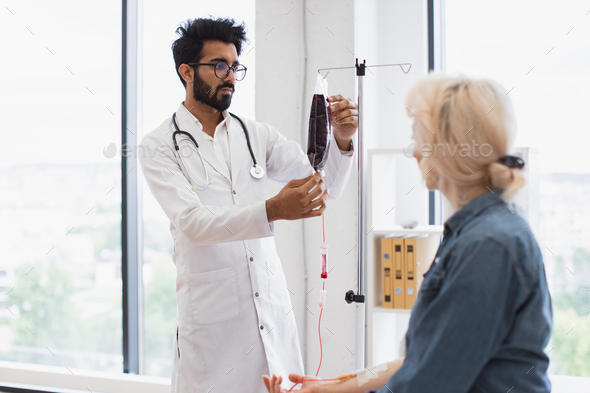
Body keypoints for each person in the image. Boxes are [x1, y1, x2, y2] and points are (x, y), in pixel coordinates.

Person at [263, 73, 553, 393]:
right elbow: (426, 357)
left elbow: (427, 383)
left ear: (450, 148)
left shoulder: (486, 246)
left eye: (420, 142)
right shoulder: (475, 232)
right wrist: (334, 387)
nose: (414, 153)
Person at [138, 17, 358, 393]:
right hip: (212, 325)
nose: (231, 77)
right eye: (219, 66)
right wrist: (272, 209)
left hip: (271, 313)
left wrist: (340, 138)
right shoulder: (158, 146)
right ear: (187, 72)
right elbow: (193, 223)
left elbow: (324, 187)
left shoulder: (255, 135)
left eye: (235, 66)